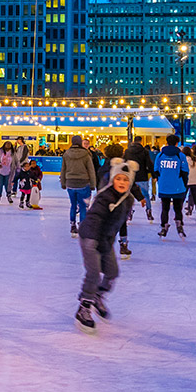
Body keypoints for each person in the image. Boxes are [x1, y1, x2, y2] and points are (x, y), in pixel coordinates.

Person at [74, 159, 139, 334]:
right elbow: (94, 219)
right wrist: (95, 242)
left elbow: (118, 223)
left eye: (126, 180)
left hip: (105, 239)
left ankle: (97, 296)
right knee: (93, 274)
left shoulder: (128, 200)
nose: (122, 183)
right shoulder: (105, 196)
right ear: (112, 179)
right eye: (118, 179)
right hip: (90, 237)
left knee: (112, 273)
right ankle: (84, 308)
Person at [153, 135, 189, 238]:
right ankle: (179, 225)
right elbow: (185, 171)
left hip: (164, 186)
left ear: (167, 142)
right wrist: (184, 183)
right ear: (177, 143)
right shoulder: (180, 156)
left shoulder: (160, 155)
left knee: (165, 208)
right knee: (178, 208)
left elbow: (156, 170)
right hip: (178, 186)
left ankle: (164, 227)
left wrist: (161, 179)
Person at [60, 135, 97, 235]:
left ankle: (72, 225)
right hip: (83, 183)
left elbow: (63, 169)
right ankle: (82, 226)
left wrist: (63, 182)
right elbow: (91, 170)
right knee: (83, 206)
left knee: (73, 205)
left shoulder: (66, 154)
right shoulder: (86, 154)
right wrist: (93, 184)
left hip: (70, 183)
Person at [125, 136, 155, 222]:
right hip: (142, 176)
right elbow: (149, 163)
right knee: (145, 195)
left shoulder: (127, 152)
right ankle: (148, 210)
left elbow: (124, 162)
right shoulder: (144, 151)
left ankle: (129, 212)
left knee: (130, 195)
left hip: (130, 176)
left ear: (134, 142)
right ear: (141, 142)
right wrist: (154, 175)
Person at [182, 146, 196, 224]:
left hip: (186, 181)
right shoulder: (195, 160)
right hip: (195, 181)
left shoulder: (183, 160)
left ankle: (178, 216)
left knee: (182, 199)